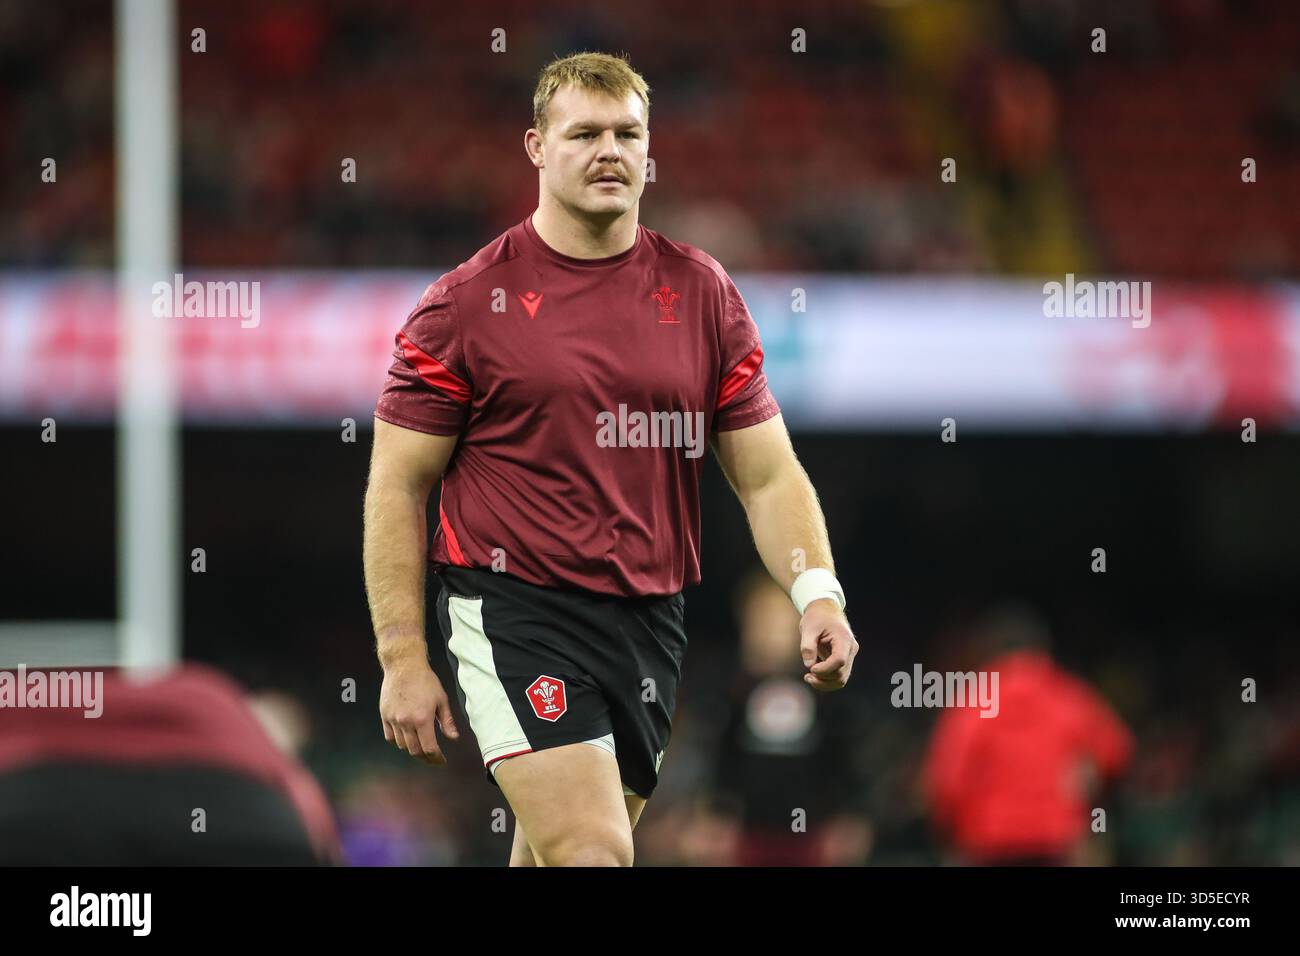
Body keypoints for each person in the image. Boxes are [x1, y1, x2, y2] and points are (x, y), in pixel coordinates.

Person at [363, 51, 857, 867]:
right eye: (584, 133)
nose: (609, 151)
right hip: (512, 610)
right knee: (594, 851)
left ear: (650, 151)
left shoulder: (703, 295)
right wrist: (402, 656)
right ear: (535, 146)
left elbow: (767, 475)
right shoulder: (462, 306)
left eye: (628, 133)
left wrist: (816, 594)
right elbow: (397, 485)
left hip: (648, 622)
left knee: (553, 855)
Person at [921, 604, 1134, 866]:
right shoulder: (1066, 693)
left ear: (990, 650)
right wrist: (1089, 781)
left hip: (988, 845)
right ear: (1042, 649)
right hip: (1056, 844)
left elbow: (947, 782)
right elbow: (1118, 750)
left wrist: (949, 831)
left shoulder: (974, 699)